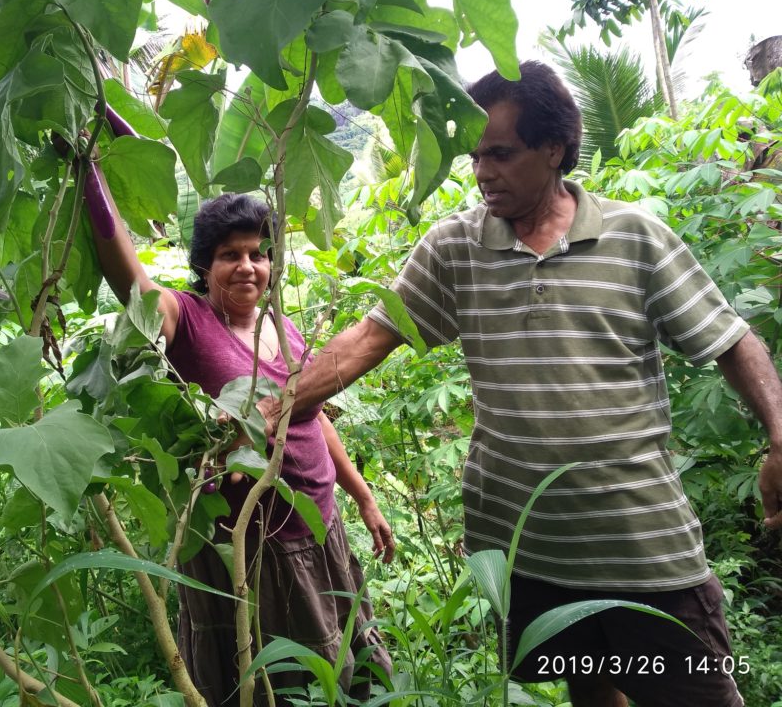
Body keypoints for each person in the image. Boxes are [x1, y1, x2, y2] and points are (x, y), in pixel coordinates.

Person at [258, 61, 782, 707]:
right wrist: (277, 407)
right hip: (530, 550)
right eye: (476, 156)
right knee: (590, 688)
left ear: (553, 148)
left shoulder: (634, 239)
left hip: (645, 555)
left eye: (500, 153)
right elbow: (371, 338)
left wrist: (780, 437)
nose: (481, 172)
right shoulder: (456, 249)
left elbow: (731, 340)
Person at [88, 188, 394, 705]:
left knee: (338, 671)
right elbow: (133, 283)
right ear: (204, 266)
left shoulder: (286, 329)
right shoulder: (184, 321)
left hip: (318, 532)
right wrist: (92, 174)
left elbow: (313, 417)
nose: (247, 267)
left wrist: (363, 497)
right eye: (230, 255)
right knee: (274, 681)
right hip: (249, 552)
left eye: (258, 253)